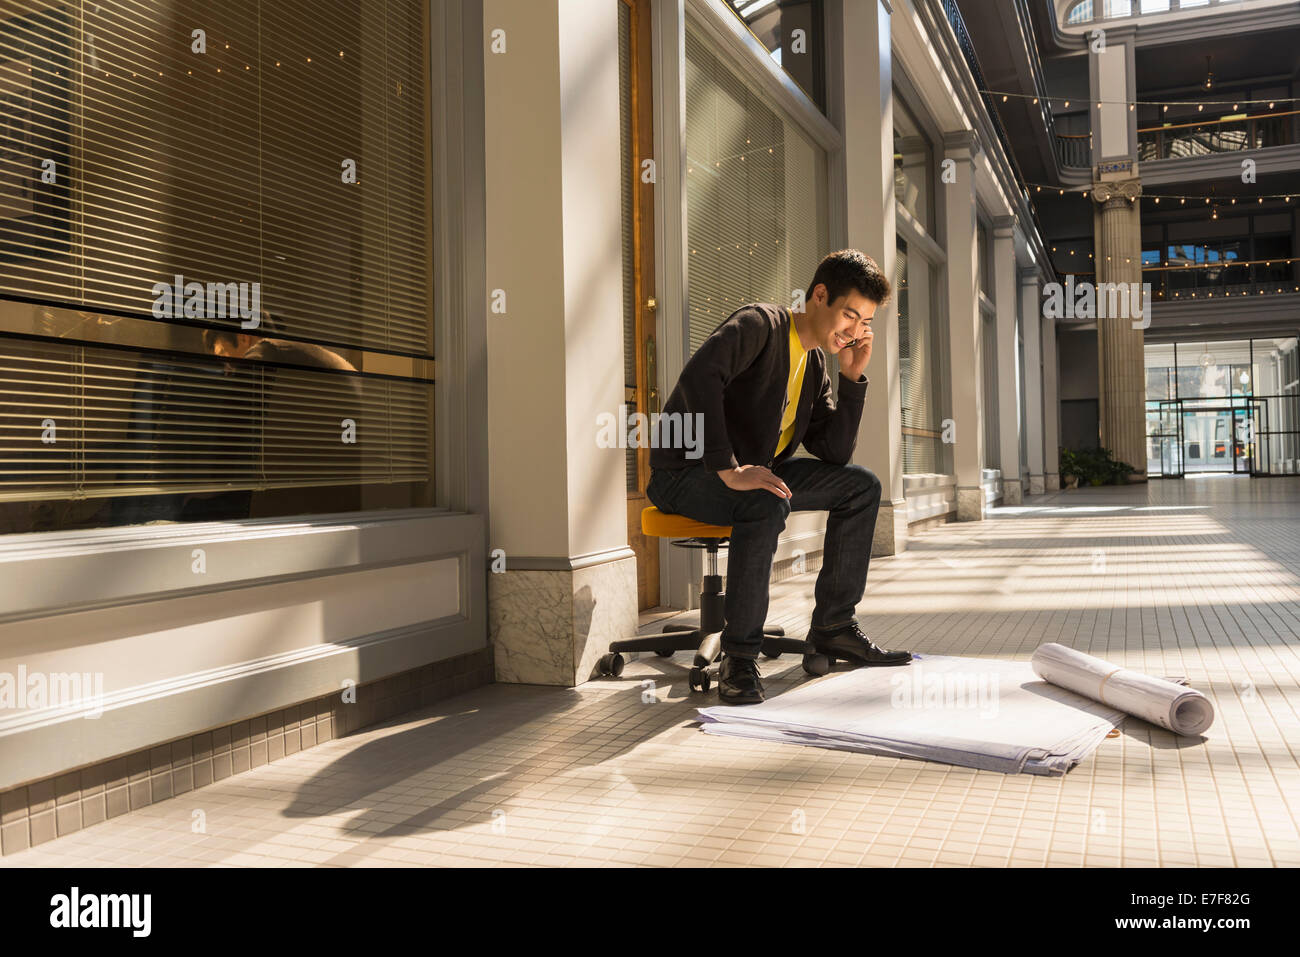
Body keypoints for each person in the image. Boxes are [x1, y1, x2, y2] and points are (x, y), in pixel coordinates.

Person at [648, 249, 912, 705]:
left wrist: (852, 379)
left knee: (862, 487)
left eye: (864, 322)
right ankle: (740, 655)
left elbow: (833, 452)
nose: (853, 331)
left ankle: (834, 626)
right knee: (765, 501)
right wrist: (727, 468)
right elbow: (700, 376)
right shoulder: (761, 325)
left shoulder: (813, 365)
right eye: (849, 315)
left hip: (757, 472)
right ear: (819, 295)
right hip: (685, 474)